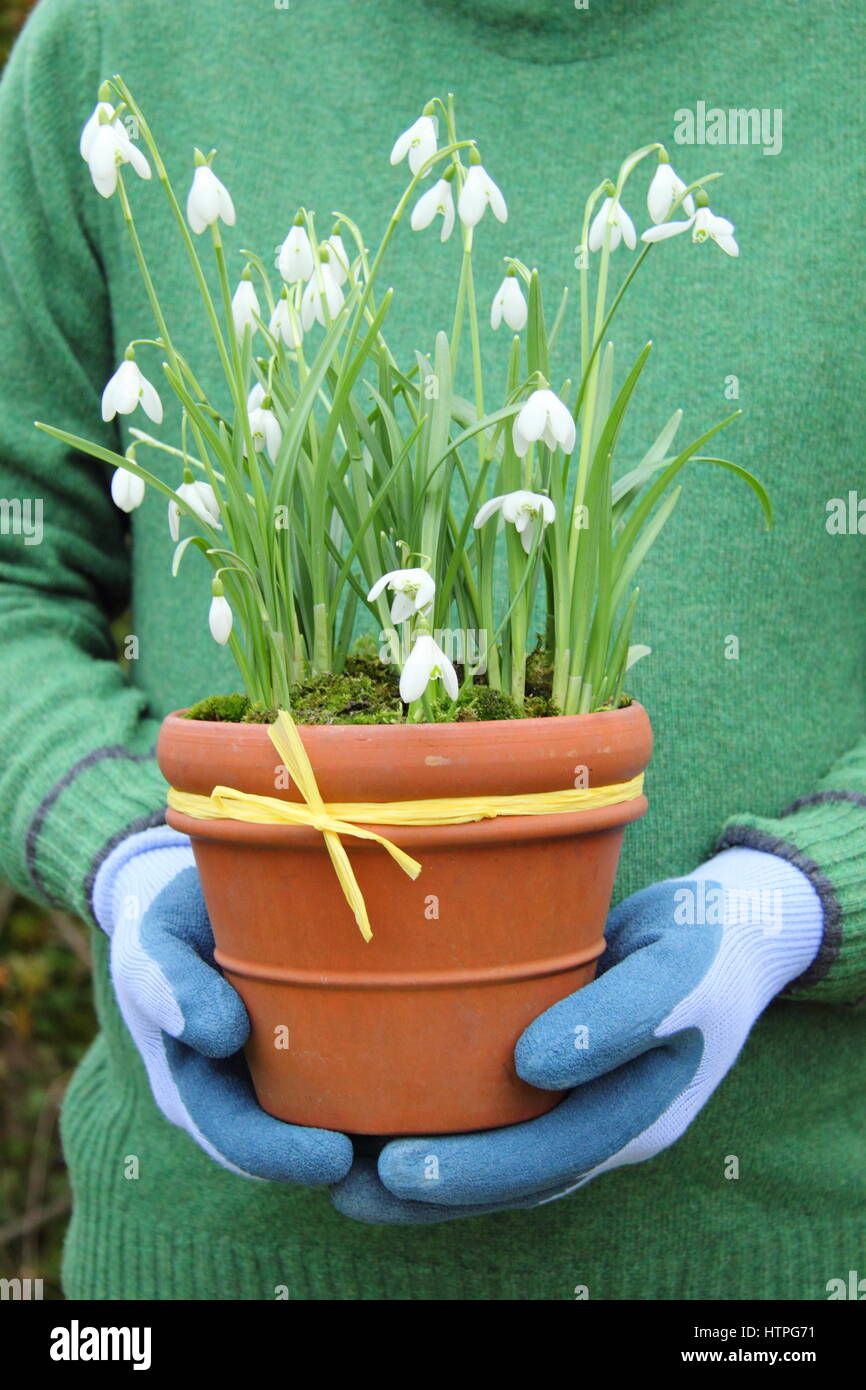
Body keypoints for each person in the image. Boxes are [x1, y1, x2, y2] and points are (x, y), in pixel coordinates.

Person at [0, 0, 862, 1302]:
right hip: (205, 1280)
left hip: (779, 1278)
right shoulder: (122, 35)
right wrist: (127, 854)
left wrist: (797, 904)